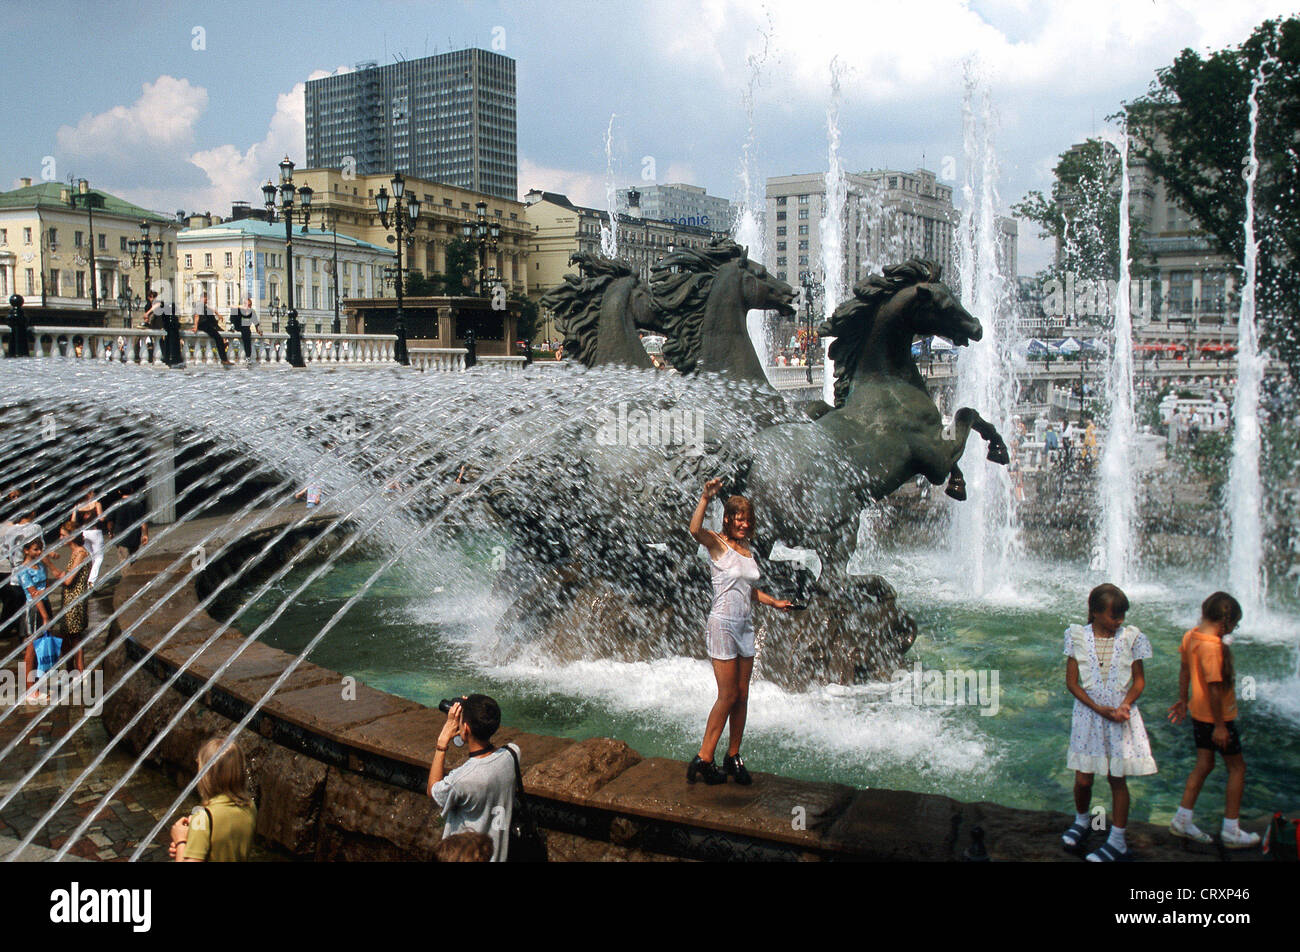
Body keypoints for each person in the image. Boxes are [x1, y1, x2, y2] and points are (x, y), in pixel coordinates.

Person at [687, 478, 792, 785]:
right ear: (728, 519)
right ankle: (704, 758)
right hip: (722, 624)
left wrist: (773, 601)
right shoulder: (717, 544)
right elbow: (694, 530)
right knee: (728, 694)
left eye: (748, 519)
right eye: (739, 518)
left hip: (745, 626)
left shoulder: (746, 550)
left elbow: (747, 588)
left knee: (743, 695)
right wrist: (705, 497)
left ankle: (732, 757)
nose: (744, 524)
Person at [1060, 583, 1156, 861]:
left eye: (1122, 615)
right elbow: (1072, 682)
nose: (1120, 621)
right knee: (1083, 778)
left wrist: (1125, 704)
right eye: (1115, 616)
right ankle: (1081, 821)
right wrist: (1097, 708)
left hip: (1119, 716)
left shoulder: (1131, 638)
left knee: (1117, 778)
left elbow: (1139, 681)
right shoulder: (1077, 637)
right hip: (1089, 715)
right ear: (1096, 612)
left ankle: (1117, 839)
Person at [1167, 592, 1259, 849]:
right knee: (1237, 768)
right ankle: (1231, 829)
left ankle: (1182, 819)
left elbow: (1184, 670)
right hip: (1218, 719)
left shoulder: (1190, 636)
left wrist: (1183, 700)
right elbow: (1216, 689)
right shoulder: (1211, 647)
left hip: (1198, 714)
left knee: (1204, 764)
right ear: (1225, 624)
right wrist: (1220, 726)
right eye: (1234, 626)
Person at [426, 694, 519, 862]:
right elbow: (493, 754)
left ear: (466, 729)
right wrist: (478, 709)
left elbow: (433, 791)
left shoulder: (461, 780)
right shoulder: (512, 754)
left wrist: (442, 742)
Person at [169, 735, 257, 861]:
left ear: (206, 775)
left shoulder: (203, 819)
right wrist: (191, 843)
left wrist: (180, 841)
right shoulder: (250, 807)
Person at [16, 536, 64, 702]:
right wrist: (45, 618)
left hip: (45, 606)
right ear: (26, 550)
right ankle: (30, 689)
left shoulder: (40, 564)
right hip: (34, 611)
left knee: (39, 649)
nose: (38, 552)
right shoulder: (23, 570)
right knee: (30, 650)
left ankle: (37, 685)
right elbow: (33, 596)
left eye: (39, 549)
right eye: (35, 549)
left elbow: (44, 589)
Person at [56, 520, 90, 674]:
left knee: (73, 637)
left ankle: (78, 671)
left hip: (74, 600)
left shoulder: (81, 553)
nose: (60, 538)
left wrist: (53, 569)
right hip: (69, 598)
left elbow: (68, 580)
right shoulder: (75, 552)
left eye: (63, 535)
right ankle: (72, 671)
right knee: (69, 637)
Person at [73, 485, 105, 587]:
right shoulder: (96, 503)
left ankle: (84, 580)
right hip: (95, 532)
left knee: (89, 557)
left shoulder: (77, 506)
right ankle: (91, 581)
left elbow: (72, 522)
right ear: (89, 494)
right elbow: (102, 518)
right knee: (99, 557)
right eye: (92, 492)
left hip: (84, 533)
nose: (94, 493)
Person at [192, 291, 232, 366]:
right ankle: (224, 359)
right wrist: (195, 327)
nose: (207, 301)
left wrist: (217, 313)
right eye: (206, 299)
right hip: (203, 325)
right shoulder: (199, 305)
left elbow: (210, 309)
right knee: (218, 338)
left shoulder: (201, 304)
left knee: (219, 336)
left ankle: (223, 352)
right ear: (202, 298)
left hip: (205, 324)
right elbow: (196, 316)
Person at [110, 485, 149, 563]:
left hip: (120, 536)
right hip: (135, 536)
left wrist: (111, 532)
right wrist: (145, 535)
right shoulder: (138, 504)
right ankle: (133, 572)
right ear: (131, 490)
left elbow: (110, 521)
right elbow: (143, 521)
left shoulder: (116, 505)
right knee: (133, 560)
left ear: (119, 492)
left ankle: (127, 575)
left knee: (123, 561)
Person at [230, 295, 262, 364]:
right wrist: (241, 307)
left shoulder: (252, 312)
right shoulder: (238, 309)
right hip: (237, 325)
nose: (249, 307)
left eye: (250, 305)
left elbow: (256, 323)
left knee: (247, 335)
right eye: (248, 305)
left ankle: (248, 356)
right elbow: (232, 307)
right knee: (234, 310)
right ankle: (232, 325)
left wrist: (258, 330)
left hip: (245, 327)